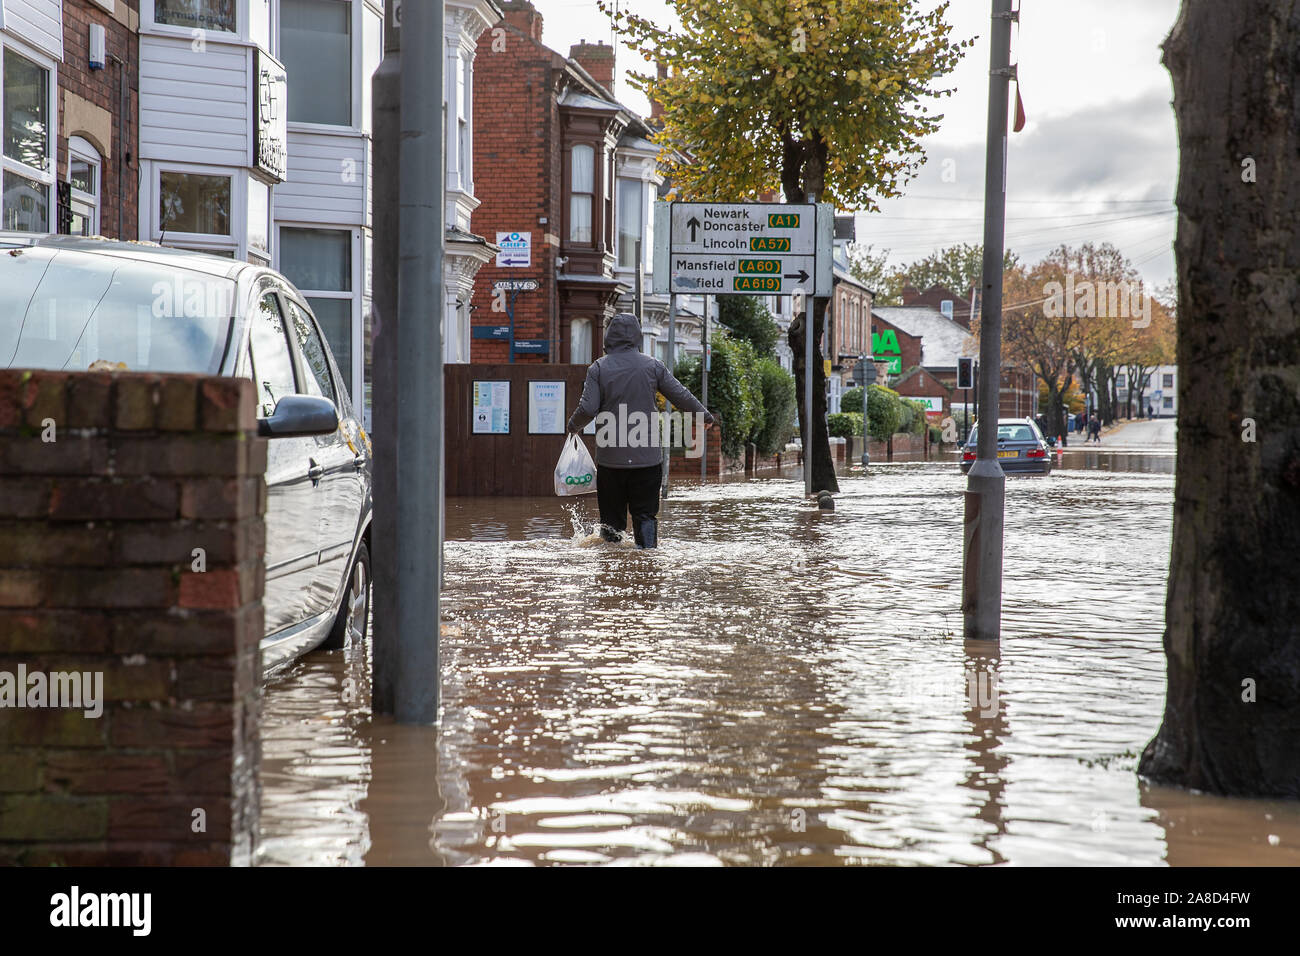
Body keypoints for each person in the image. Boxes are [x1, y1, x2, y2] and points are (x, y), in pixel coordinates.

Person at [567, 312, 713, 549]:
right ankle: (647, 564)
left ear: (608, 337)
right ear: (637, 337)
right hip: (647, 460)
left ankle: (611, 570)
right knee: (645, 516)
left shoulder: (598, 368)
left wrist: (573, 426)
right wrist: (703, 416)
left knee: (611, 522)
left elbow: (588, 407)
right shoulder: (652, 366)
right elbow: (680, 394)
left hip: (610, 460)